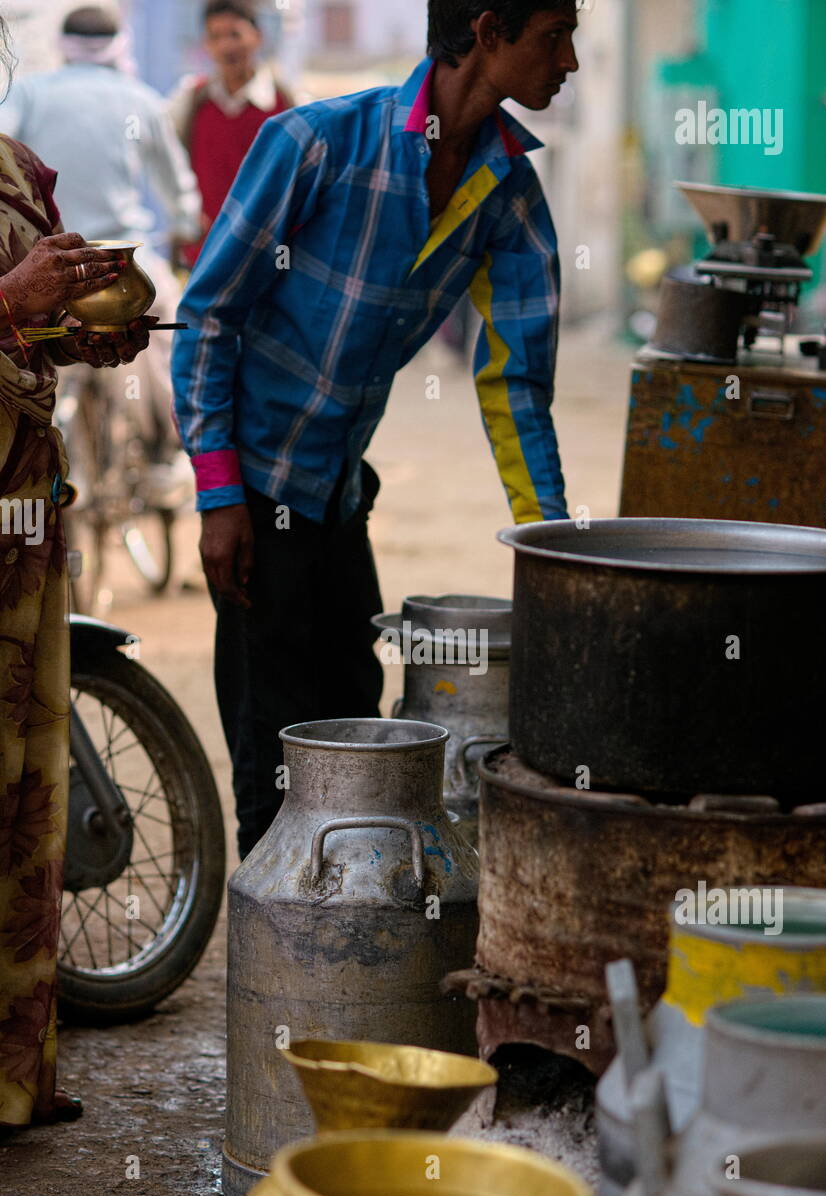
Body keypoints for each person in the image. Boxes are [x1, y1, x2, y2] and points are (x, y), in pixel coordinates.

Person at [172, 1, 578, 860]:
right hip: (253, 494)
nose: (569, 59)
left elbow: (513, 384)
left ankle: (341, 939)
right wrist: (217, 495)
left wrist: (549, 549)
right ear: (488, 31)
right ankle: (269, 961)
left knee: (356, 715)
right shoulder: (314, 144)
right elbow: (210, 315)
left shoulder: (507, 191)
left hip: (339, 493)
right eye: (553, 35)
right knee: (272, 749)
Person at [0, 9, 153, 1138]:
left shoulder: (11, 165)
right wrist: (10, 306)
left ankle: (12, 1076)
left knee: (25, 785)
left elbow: (28, 335)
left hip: (19, 513)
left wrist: (85, 327)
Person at [2, 3, 201, 505]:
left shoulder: (27, 100)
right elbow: (180, 194)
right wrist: (181, 232)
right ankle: (162, 457)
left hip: (45, 261)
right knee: (157, 328)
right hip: (117, 258)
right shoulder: (140, 99)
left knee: (72, 338)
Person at [167, 0, 293, 269]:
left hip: (269, 258)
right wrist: (184, 215)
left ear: (257, 37)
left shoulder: (288, 104)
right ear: (206, 44)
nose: (226, 46)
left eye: (234, 35)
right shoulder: (190, 100)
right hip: (204, 256)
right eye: (216, 37)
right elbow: (164, 161)